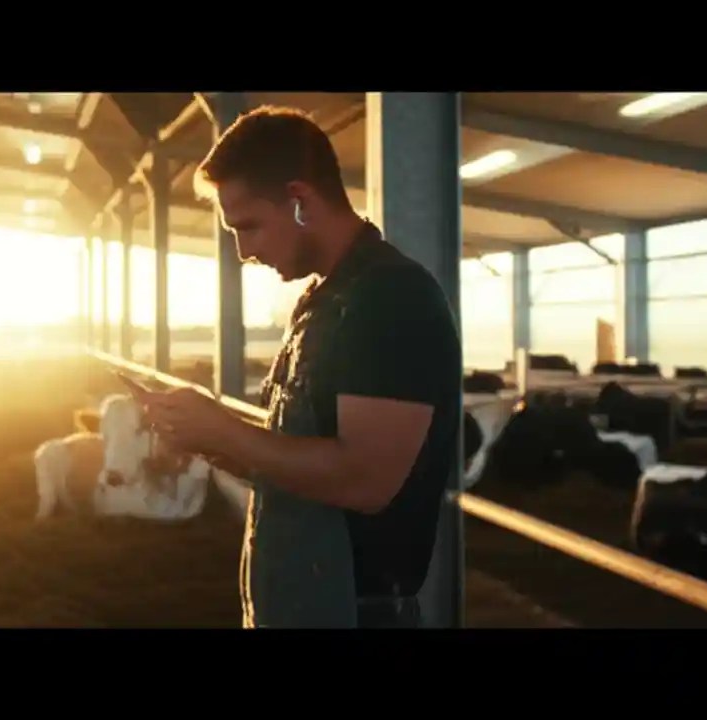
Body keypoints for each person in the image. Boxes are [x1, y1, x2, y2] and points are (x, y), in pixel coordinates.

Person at [137, 105, 463, 629]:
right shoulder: (322, 301)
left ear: (300, 201)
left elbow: (364, 480)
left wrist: (222, 426)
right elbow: (289, 462)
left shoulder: (391, 298)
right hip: (297, 603)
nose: (243, 251)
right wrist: (205, 438)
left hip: (356, 613)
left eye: (249, 226)